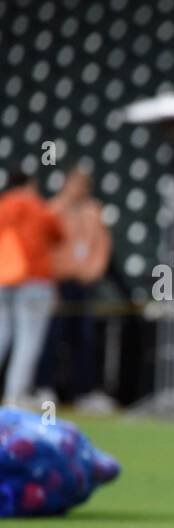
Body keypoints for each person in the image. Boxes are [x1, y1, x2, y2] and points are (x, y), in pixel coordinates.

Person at [40, 166, 112, 408]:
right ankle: (44, 388)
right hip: (57, 284)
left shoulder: (94, 211)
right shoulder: (54, 208)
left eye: (84, 183)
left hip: (83, 285)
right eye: (75, 182)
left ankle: (84, 392)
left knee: (84, 339)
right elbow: (45, 248)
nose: (80, 188)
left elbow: (102, 246)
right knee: (52, 336)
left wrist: (92, 271)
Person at [0, 169, 65, 407]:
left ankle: (14, 395)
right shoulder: (38, 206)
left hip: (3, 279)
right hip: (34, 280)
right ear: (31, 184)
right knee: (29, 339)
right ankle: (15, 395)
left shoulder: (2, 206)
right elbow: (59, 234)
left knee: (2, 334)